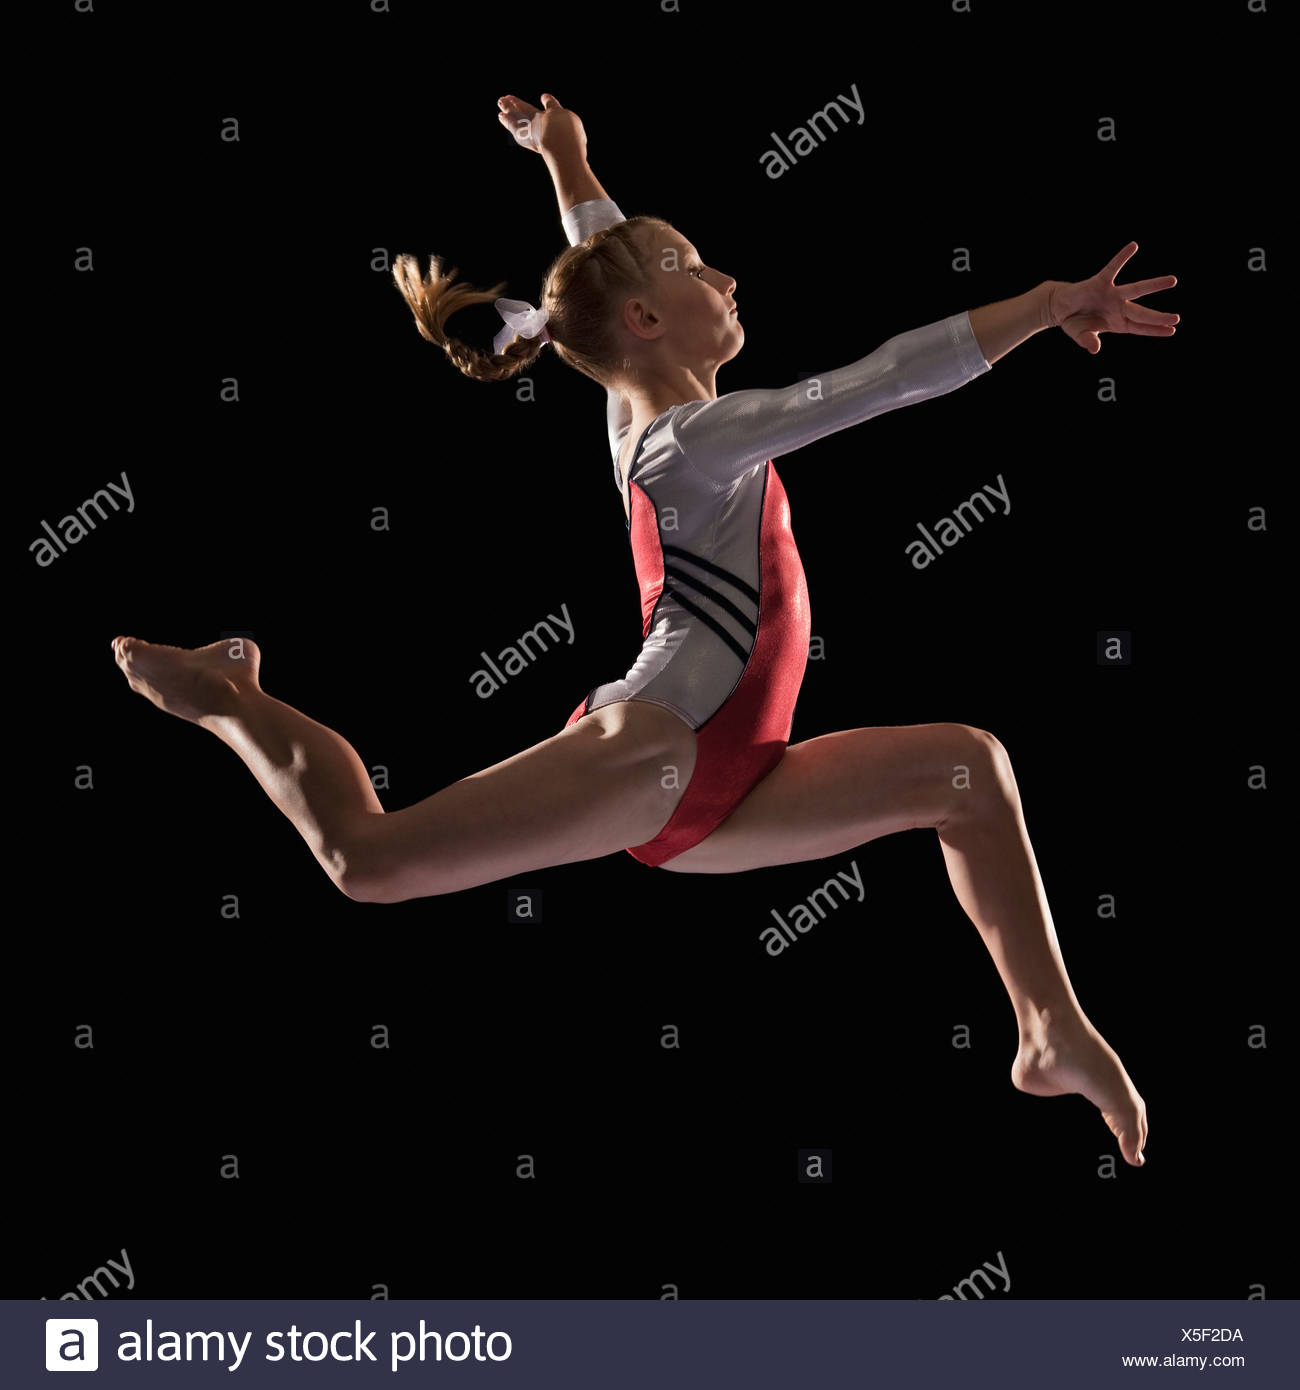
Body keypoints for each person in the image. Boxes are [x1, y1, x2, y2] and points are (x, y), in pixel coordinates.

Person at [112, 93, 1179, 1168]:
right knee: (367, 860)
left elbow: (602, 265)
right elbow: (885, 379)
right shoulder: (693, 441)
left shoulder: (643, 405)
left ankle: (1046, 1030)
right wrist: (1045, 302)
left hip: (738, 783)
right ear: (646, 321)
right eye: (695, 264)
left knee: (967, 771)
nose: (723, 277)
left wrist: (569, 159)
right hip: (661, 753)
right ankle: (230, 697)